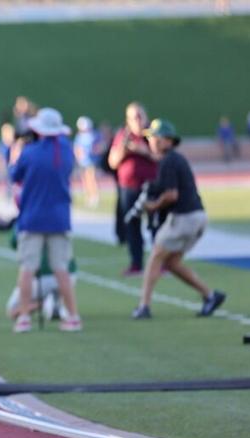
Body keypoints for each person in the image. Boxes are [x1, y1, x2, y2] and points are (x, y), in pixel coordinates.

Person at [132, 119, 226, 319]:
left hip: (184, 217)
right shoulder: (173, 159)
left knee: (156, 255)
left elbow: (172, 195)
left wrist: (152, 206)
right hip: (197, 217)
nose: (151, 141)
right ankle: (210, 295)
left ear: (167, 141)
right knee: (172, 263)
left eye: (155, 137)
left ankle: (144, 306)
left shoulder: (168, 160)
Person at [8, 108, 81, 333]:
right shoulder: (66, 151)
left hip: (33, 217)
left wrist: (16, 152)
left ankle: (24, 318)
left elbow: (14, 176)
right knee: (61, 268)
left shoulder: (29, 153)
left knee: (27, 268)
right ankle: (73, 316)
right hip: (59, 217)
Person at [108, 102, 158, 276]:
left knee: (156, 225)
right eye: (133, 117)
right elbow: (112, 162)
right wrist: (124, 150)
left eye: (139, 116)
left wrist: (143, 150)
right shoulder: (123, 136)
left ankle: (162, 263)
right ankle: (136, 263)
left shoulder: (152, 135)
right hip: (128, 187)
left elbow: (163, 157)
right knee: (131, 225)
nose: (136, 120)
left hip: (151, 186)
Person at [73, 116, 100, 208]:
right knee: (85, 180)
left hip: (91, 161)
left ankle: (94, 196)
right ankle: (89, 196)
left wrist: (93, 152)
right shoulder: (79, 136)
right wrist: (79, 157)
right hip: (82, 162)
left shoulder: (93, 135)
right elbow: (77, 148)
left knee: (91, 179)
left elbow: (97, 148)